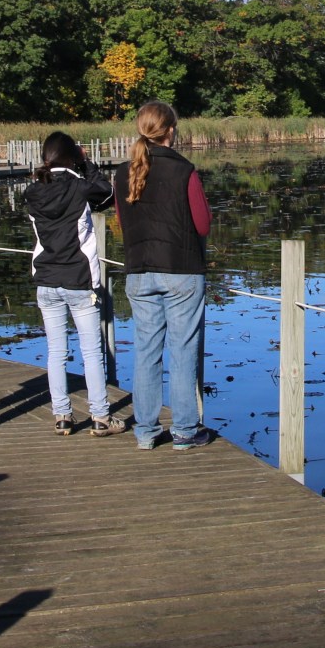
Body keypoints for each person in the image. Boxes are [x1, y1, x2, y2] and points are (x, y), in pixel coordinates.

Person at [113, 100, 214, 450]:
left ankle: (145, 431)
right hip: (181, 270)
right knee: (183, 351)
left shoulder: (123, 171)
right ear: (171, 130)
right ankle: (185, 431)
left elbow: (121, 220)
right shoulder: (184, 170)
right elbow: (202, 223)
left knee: (146, 350)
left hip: (139, 270)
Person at [23, 131, 125, 437]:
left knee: (56, 351)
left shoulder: (31, 192)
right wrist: (87, 164)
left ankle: (62, 417)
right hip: (78, 279)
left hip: (46, 279)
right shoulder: (81, 188)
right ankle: (100, 417)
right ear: (73, 156)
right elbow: (107, 195)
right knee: (91, 351)